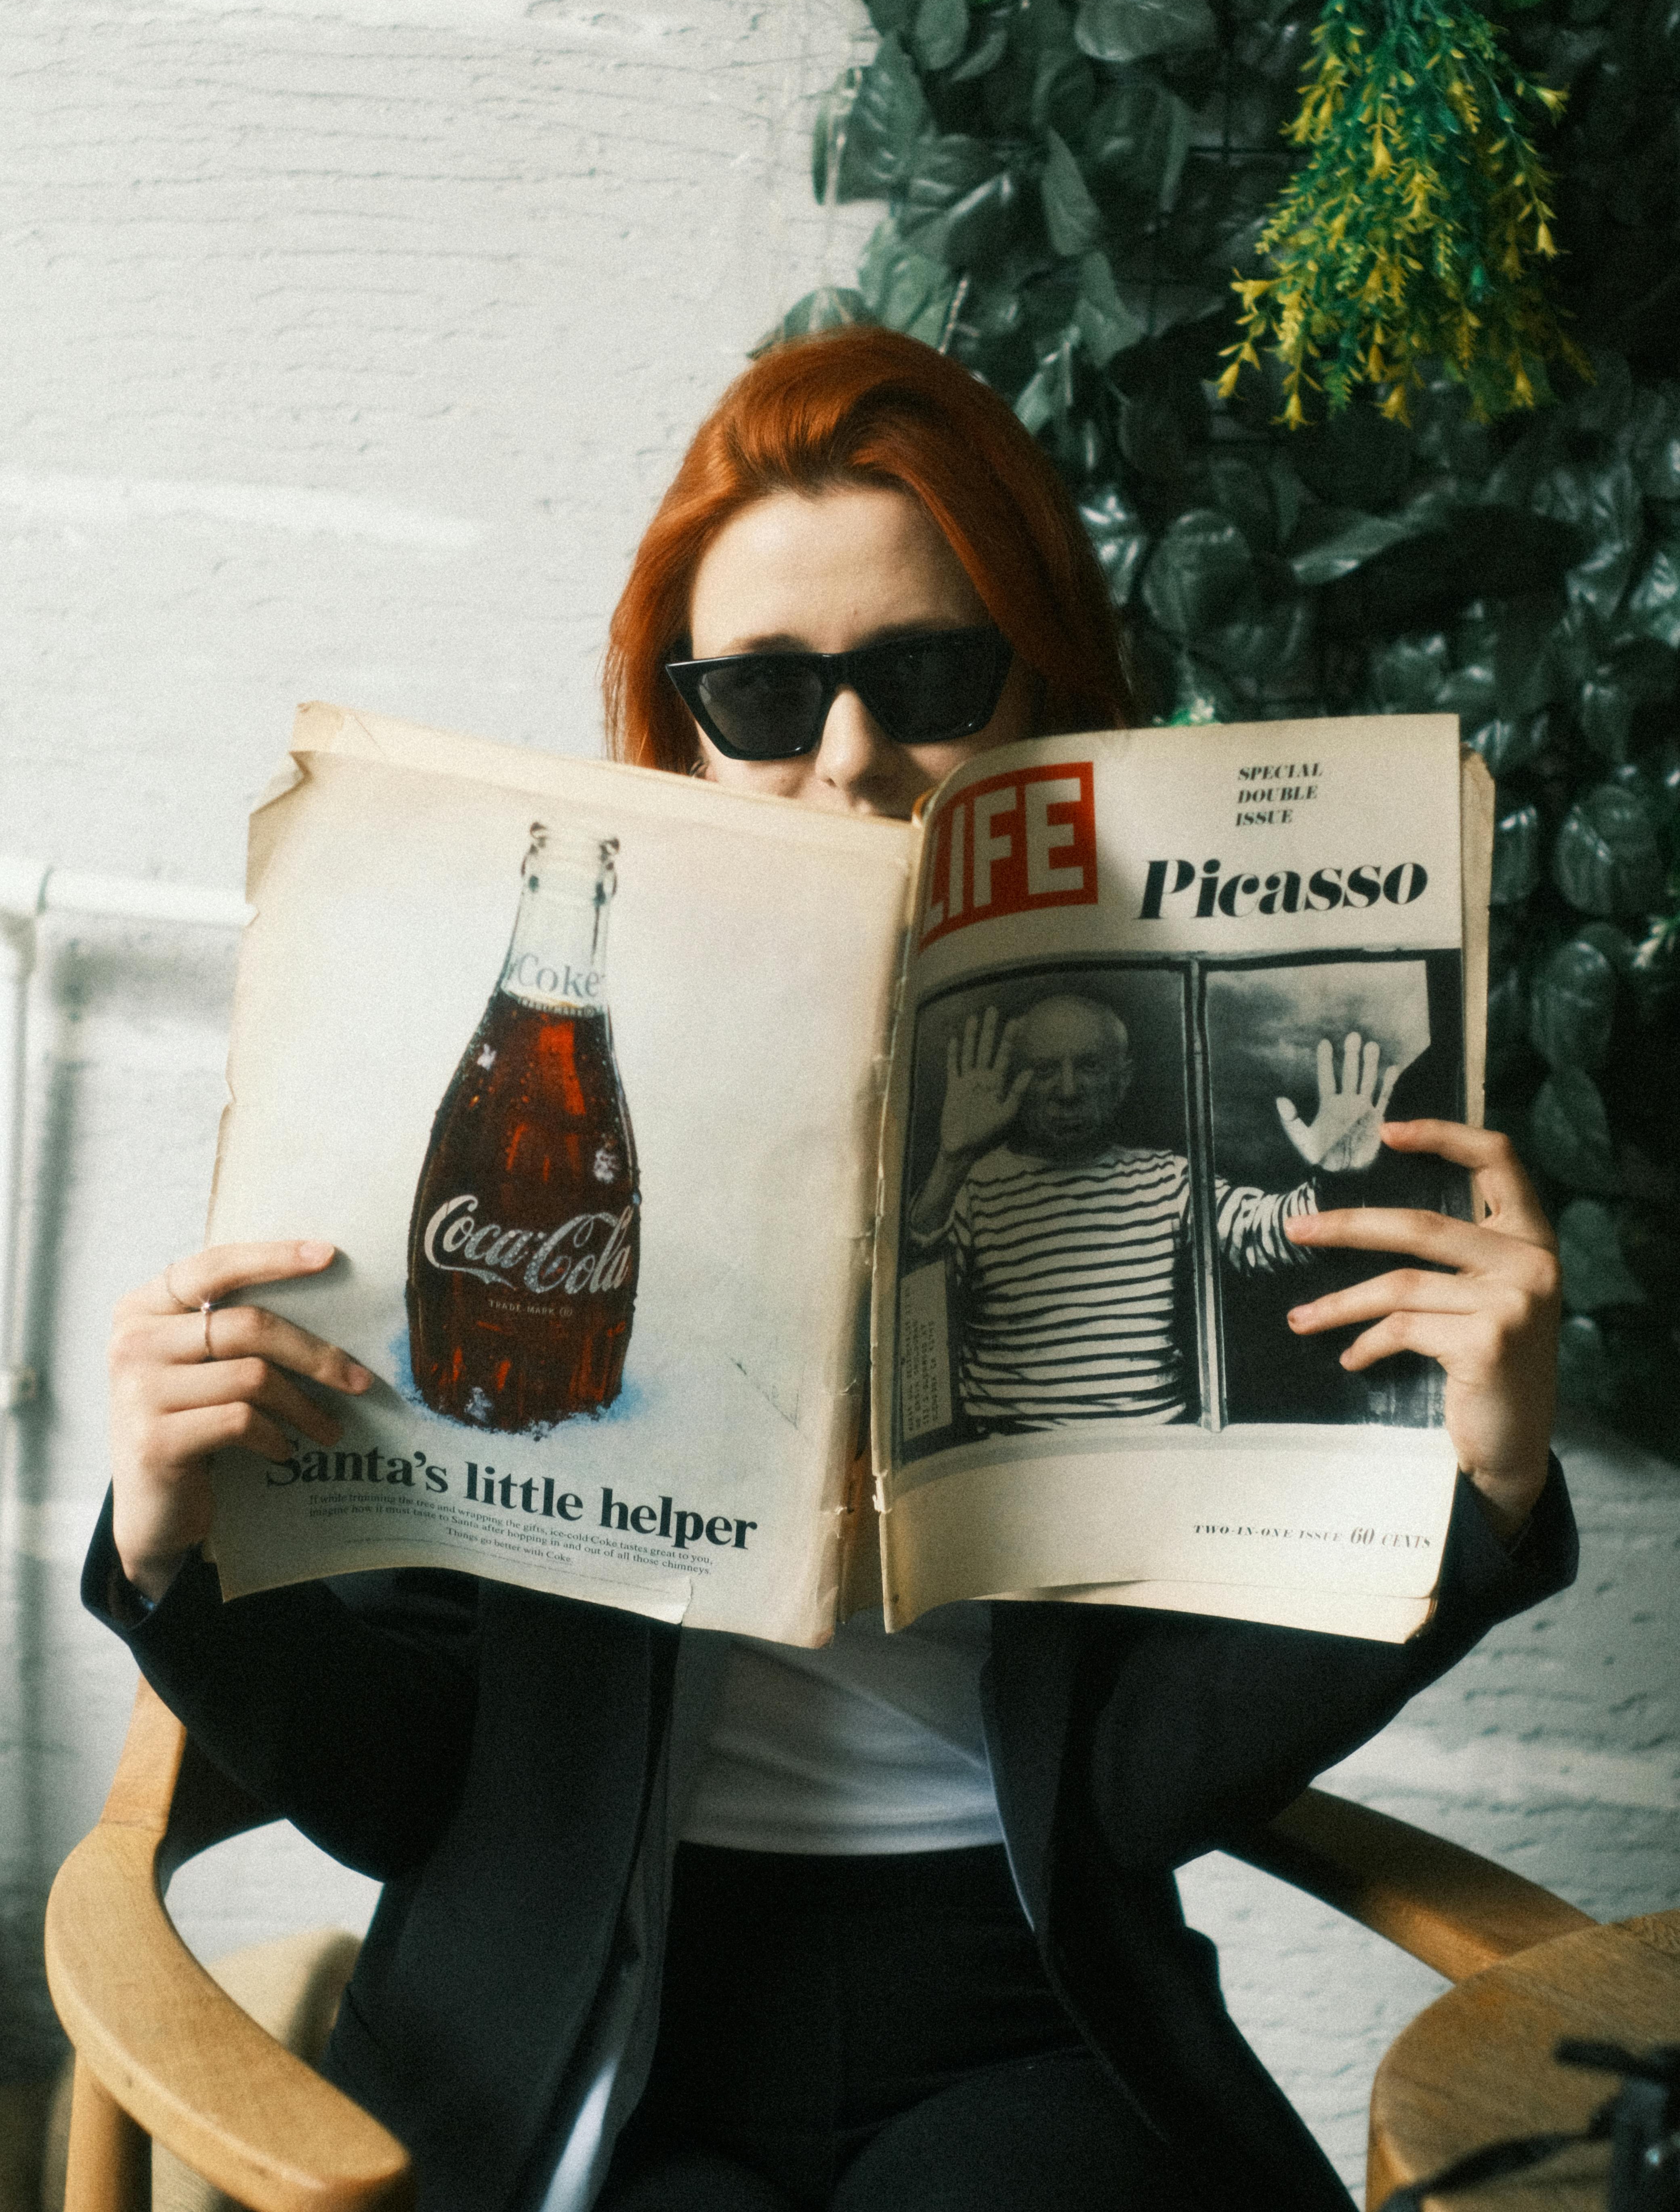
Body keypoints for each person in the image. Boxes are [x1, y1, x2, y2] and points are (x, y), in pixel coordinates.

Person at [90, 328, 1570, 2212]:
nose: (854, 758)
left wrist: (1478, 1480)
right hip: (581, 2016)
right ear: (678, 717)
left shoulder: (1169, 1138)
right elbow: (412, 1788)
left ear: (1044, 689)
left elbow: (1130, 1784)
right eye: (766, 696)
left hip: (1024, 2000)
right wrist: (170, 1540)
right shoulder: (515, 1092)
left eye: (930, 674)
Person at [910, 995, 1400, 1431]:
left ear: (1122, 1081)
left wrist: (1336, 1177)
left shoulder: (1167, 1180)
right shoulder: (971, 1187)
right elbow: (917, 1313)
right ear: (1014, 1081)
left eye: (1090, 1067)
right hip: (1012, 1464)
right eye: (1043, 1070)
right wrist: (951, 1161)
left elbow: (1267, 1232)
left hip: (1155, 1456)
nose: (1067, 1091)